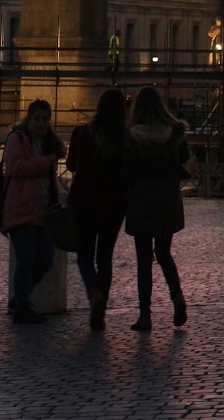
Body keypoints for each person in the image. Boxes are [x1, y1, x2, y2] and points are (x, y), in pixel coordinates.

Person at [123, 86, 191, 331]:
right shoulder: (174, 134)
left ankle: (145, 315)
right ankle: (177, 296)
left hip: (142, 202)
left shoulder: (133, 137)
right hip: (167, 201)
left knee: (144, 259)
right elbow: (184, 160)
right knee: (163, 253)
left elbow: (127, 172)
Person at [67, 88, 129, 329]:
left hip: (85, 201)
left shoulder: (81, 133)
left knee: (84, 255)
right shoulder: (125, 139)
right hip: (114, 205)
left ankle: (94, 293)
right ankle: (101, 304)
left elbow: (71, 165)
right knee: (105, 257)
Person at [3, 99, 64, 325]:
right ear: (29, 118)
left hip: (43, 212)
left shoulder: (48, 144)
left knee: (46, 258)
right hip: (20, 208)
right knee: (26, 257)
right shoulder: (16, 139)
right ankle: (22, 305)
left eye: (45, 119)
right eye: (37, 118)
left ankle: (20, 299)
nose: (41, 123)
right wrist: (46, 162)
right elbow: (16, 167)